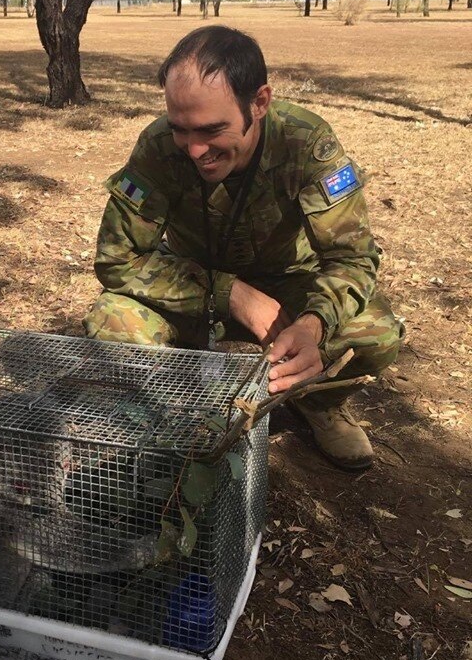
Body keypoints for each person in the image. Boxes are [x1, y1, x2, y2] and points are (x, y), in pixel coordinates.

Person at [83, 26, 403, 471]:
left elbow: (352, 258)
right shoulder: (157, 147)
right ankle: (177, 411)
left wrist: (312, 325)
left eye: (212, 130)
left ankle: (316, 402)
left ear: (260, 102)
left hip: (287, 289)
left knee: (375, 331)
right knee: (112, 321)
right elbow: (117, 258)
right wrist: (230, 293)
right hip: (192, 288)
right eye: (181, 130)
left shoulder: (305, 143)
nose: (195, 150)